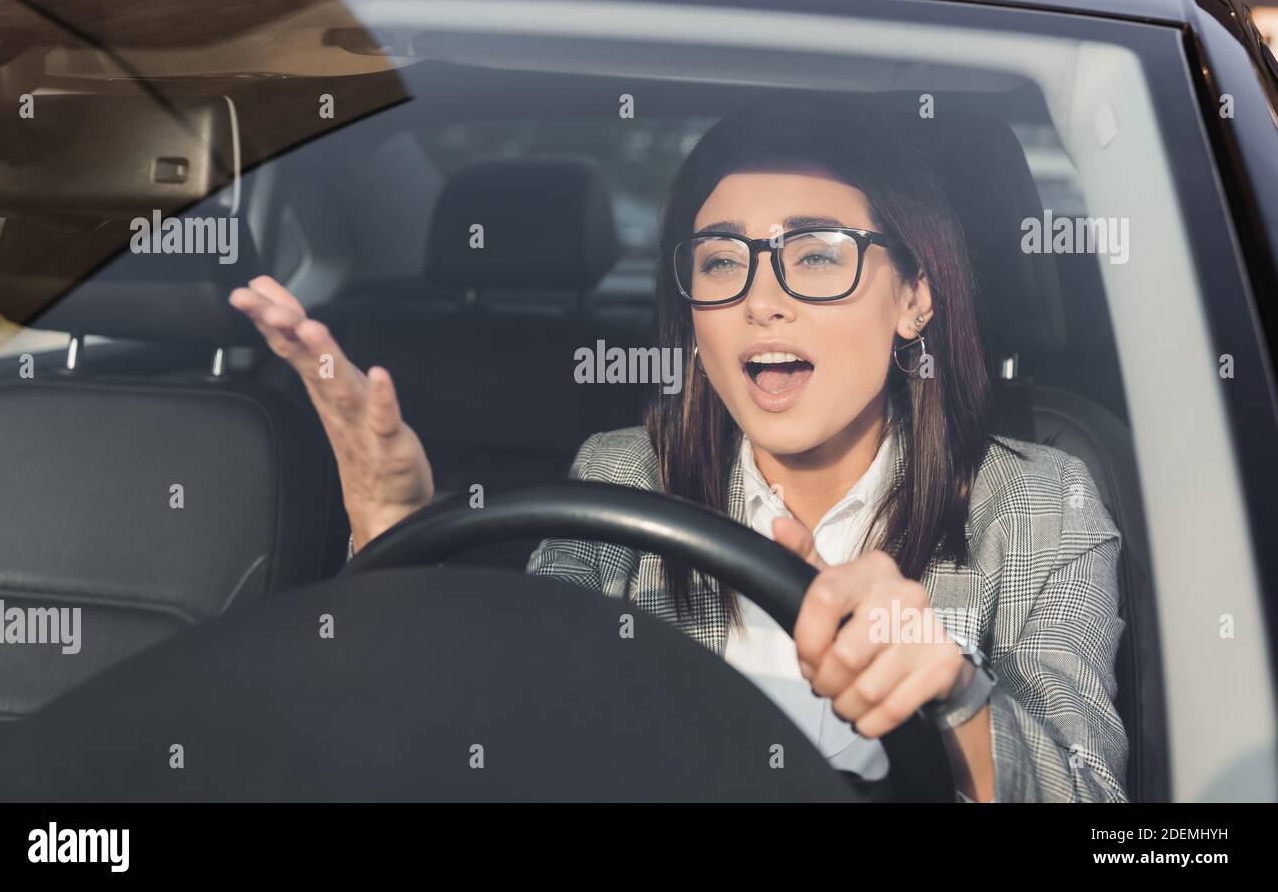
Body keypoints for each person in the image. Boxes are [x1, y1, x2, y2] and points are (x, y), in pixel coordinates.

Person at [228, 93, 1128, 802]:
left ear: (915, 298)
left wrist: (955, 699)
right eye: (720, 260)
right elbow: (502, 719)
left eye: (816, 257)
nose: (760, 300)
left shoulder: (1043, 502)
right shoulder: (620, 474)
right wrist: (398, 537)